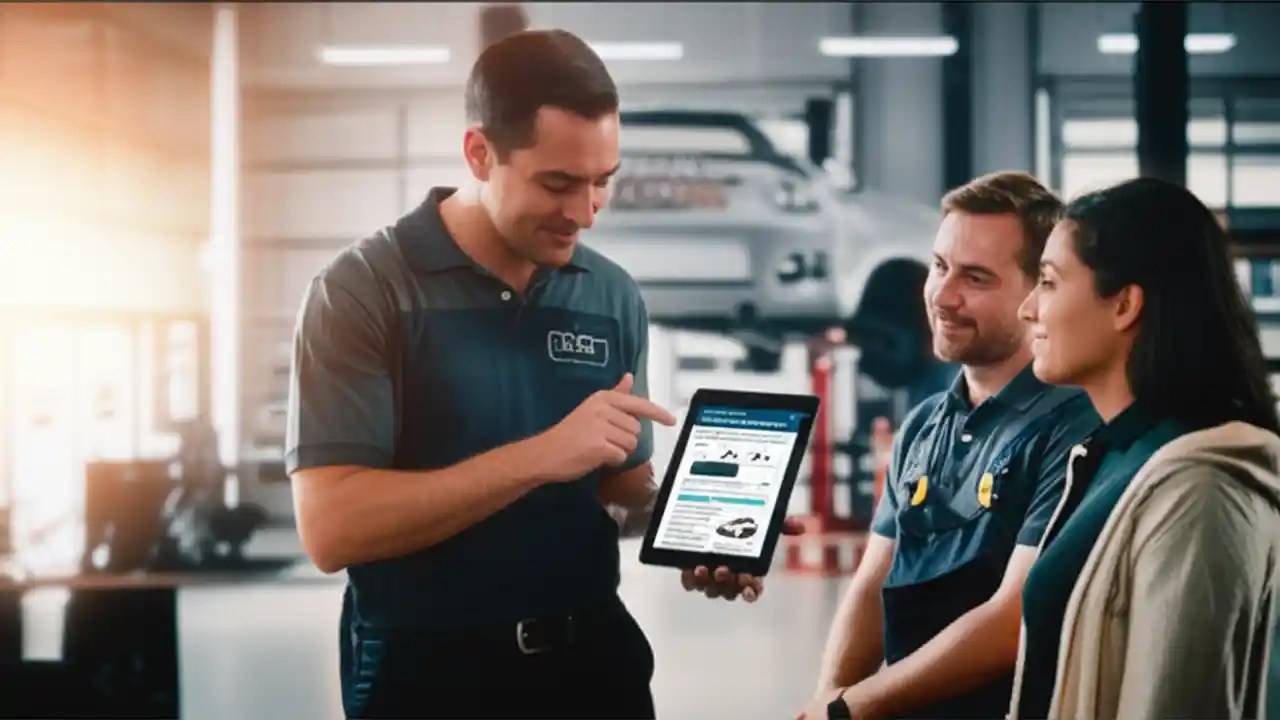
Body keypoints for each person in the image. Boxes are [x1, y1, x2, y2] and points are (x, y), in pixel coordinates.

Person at [286, 29, 779, 720]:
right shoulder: (363, 291)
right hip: (426, 677)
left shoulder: (611, 296)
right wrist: (542, 456)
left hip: (593, 667)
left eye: (602, 182)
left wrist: (694, 527)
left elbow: (617, 483)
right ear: (480, 153)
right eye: (557, 183)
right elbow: (332, 529)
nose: (584, 213)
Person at [799, 172, 1100, 720]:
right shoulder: (921, 426)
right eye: (939, 266)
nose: (942, 295)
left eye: (976, 278)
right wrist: (830, 693)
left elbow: (1013, 621)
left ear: (1038, 293)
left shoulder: (1072, 429)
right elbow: (872, 582)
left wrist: (853, 708)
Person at [1009, 177, 1280, 719]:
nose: (1028, 309)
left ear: (1125, 305)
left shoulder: (1201, 491)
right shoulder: (1112, 455)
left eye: (1048, 282)